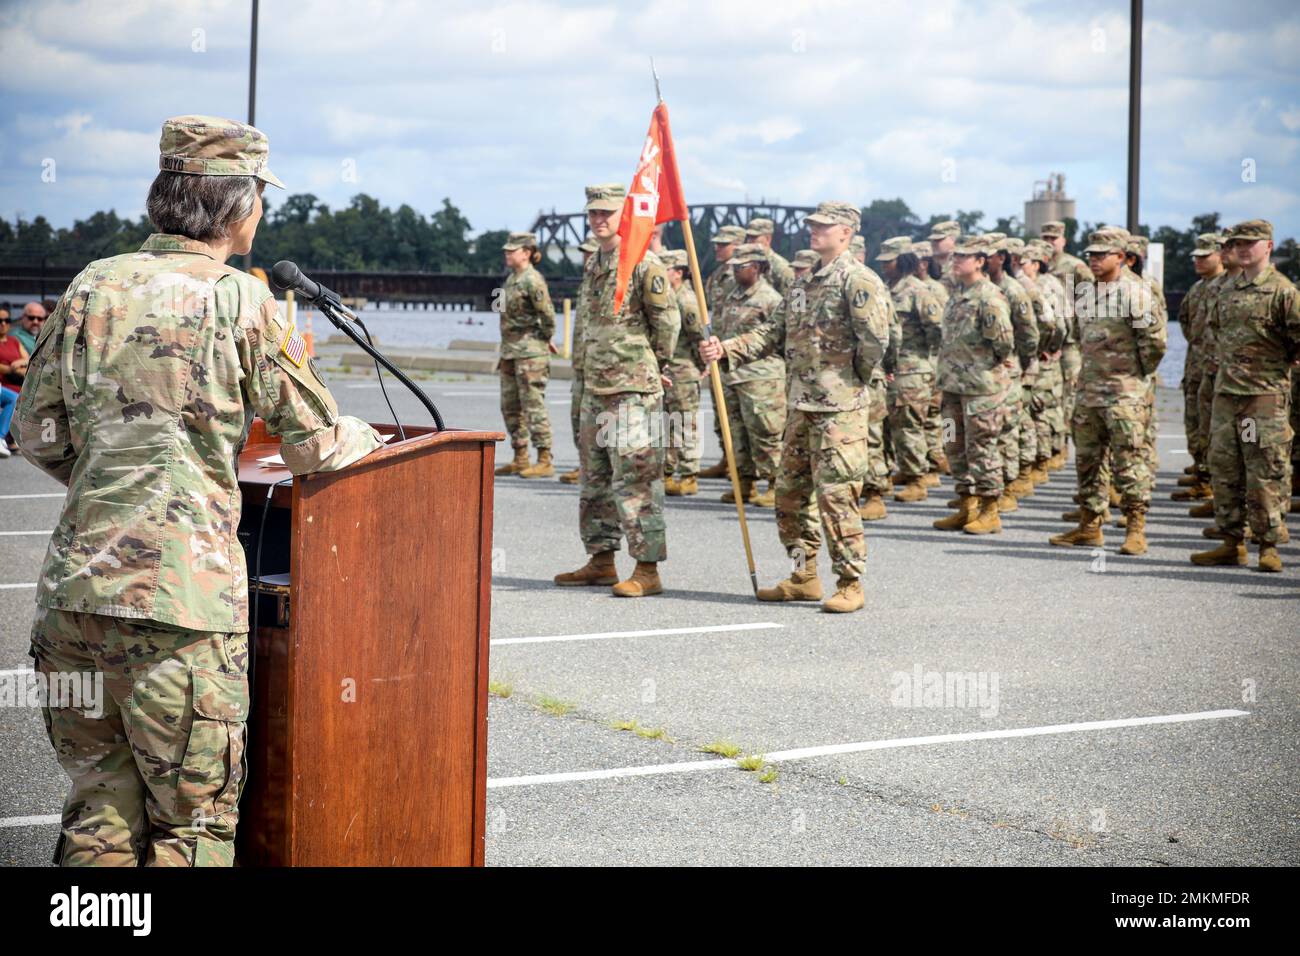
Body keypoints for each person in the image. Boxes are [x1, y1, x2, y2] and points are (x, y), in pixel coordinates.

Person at [12, 114, 383, 867]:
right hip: (181, 609)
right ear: (238, 203)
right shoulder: (242, 299)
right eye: (261, 197)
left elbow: (35, 434)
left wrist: (114, 481)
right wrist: (365, 439)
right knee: (193, 828)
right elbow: (310, 445)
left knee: (97, 818)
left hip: (75, 602)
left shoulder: (91, 284)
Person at [699, 201, 890, 614]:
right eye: (812, 225)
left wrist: (849, 380)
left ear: (846, 232)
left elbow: (875, 340)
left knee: (836, 497)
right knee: (788, 495)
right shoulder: (804, 284)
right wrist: (727, 347)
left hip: (839, 409)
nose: (813, 230)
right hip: (801, 406)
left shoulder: (857, 280)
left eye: (823, 225)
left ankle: (849, 582)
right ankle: (804, 576)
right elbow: (773, 332)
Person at [553, 183, 680, 597]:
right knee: (595, 479)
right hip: (595, 388)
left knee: (637, 480)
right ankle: (602, 559)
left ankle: (647, 568)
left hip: (632, 391)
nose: (598, 220)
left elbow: (667, 325)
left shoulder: (644, 263)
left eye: (606, 213)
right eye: (592, 213)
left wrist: (653, 367)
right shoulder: (595, 264)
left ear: (623, 215)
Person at [1192, 220, 1299, 572]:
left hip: (1262, 399)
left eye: (1250, 243)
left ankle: (1267, 544)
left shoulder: (1283, 292)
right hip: (1227, 396)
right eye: (1237, 243)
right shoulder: (1226, 290)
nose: (1241, 248)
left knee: (1264, 471)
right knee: (1225, 469)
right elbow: (1216, 335)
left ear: (1267, 247)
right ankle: (1230, 542)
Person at [1050, 228, 1165, 555]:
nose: (1094, 259)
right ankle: (1089, 526)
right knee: (1087, 462)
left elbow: (1154, 344)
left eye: (1102, 254)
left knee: (1129, 462)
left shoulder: (1137, 292)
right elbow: (1076, 335)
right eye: (1091, 254)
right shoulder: (1085, 292)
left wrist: (1132, 378)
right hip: (1089, 392)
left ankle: (1135, 528)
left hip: (1124, 393)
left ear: (1121, 255)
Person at [932, 236, 1014, 534]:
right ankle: (966, 505)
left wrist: (986, 366)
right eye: (955, 257)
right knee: (952, 443)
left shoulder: (989, 297)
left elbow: (1003, 342)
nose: (956, 261)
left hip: (980, 388)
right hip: (953, 387)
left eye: (963, 257)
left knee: (981, 447)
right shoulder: (957, 294)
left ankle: (990, 510)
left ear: (980, 261)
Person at [715, 243, 786, 508]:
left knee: (766, 432)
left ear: (756, 268)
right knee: (737, 433)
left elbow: (779, 339)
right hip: (733, 375)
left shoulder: (771, 299)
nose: (734, 271)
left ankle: (775, 483)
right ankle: (744, 483)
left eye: (740, 267)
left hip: (762, 377)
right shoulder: (731, 295)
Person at [877, 237, 942, 502]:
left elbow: (937, 329)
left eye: (889, 262)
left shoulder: (919, 290)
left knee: (910, 424)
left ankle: (918, 478)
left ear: (902, 261)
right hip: (889, 369)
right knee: (889, 425)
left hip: (913, 369)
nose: (884, 267)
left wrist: (925, 356)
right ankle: (904, 468)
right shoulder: (885, 288)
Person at [494, 231, 557, 479]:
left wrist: (542, 340)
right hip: (510, 352)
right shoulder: (511, 279)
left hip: (530, 353)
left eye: (512, 250)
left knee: (533, 406)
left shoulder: (533, 280)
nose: (507, 254)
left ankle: (544, 458)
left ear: (527, 253)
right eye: (507, 250)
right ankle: (520, 457)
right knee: (510, 406)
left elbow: (548, 317)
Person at [985, 235, 1039, 514]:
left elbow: (1031, 331)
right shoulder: (972, 289)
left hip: (1006, 372)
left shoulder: (1014, 290)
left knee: (1006, 430)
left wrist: (1022, 362)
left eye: (989, 254)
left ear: (1002, 258)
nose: (983, 259)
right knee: (962, 435)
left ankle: (1007, 486)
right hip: (972, 377)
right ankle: (974, 492)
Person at [1172, 233, 1225, 503]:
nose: (1199, 261)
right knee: (1195, 423)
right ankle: (1203, 474)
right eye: (1197, 257)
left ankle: (1214, 483)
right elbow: (1185, 322)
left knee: (1217, 429)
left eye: (1205, 256)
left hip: (1220, 372)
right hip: (1196, 368)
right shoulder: (1197, 288)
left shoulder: (1227, 286)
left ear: (1221, 255)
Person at [698, 224, 746, 480]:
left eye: (723, 244)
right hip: (719, 351)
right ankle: (727, 459)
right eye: (716, 243)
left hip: (741, 354)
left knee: (747, 418)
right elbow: (710, 315)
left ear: (737, 245)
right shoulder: (716, 276)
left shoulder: (747, 275)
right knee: (723, 411)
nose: (717, 248)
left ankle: (745, 467)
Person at [1040, 220, 1092, 447]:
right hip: (1046, 340)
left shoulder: (1075, 266)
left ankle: (1065, 439)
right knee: (1047, 392)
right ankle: (1052, 442)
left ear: (1063, 240)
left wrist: (1081, 323)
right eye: (1046, 238)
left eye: (1054, 238)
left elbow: (1092, 295)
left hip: (1070, 340)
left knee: (1070, 390)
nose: (1050, 243)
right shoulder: (1037, 265)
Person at [660, 249, 706, 496]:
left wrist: (700, 367)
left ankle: (689, 475)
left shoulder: (687, 301)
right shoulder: (667, 296)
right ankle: (667, 471)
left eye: (665, 268)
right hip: (669, 370)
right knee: (667, 423)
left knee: (686, 423)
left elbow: (700, 337)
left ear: (678, 273)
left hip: (684, 371)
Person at [559, 235, 599, 485]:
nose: (585, 256)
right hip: (582, 365)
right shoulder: (586, 283)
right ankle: (585, 465)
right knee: (578, 417)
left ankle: (593, 469)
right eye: (583, 252)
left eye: (590, 252)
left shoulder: (608, 282)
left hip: (598, 366)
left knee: (595, 419)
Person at [745, 217, 796, 296]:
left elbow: (789, 302)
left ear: (768, 239)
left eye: (754, 237)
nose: (749, 241)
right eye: (749, 237)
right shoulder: (745, 264)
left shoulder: (782, 268)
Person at [0, 312, 19, 458]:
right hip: (5, 384)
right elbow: (4, 369)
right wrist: (12, 368)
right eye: (0, 320)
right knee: (14, 398)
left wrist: (19, 364)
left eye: (6, 320)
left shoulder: (14, 341)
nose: (3, 323)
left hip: (16, 383)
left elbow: (28, 359)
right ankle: (2, 438)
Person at [927, 220, 961, 296]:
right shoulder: (925, 264)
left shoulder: (960, 266)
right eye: (932, 240)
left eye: (939, 240)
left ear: (953, 239)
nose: (933, 243)